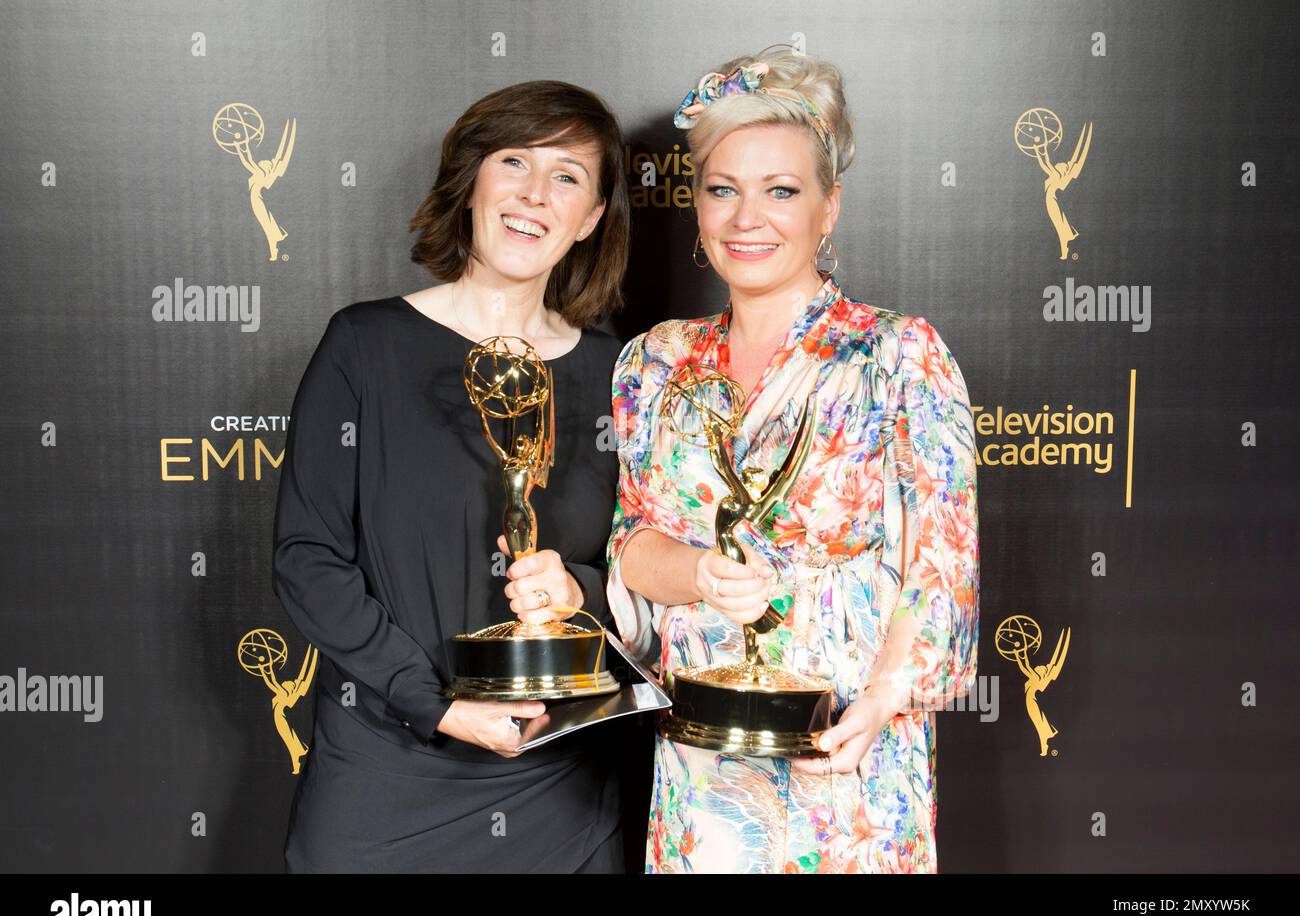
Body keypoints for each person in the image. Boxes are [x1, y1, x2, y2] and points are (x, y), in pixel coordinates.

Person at [606, 45, 979, 873]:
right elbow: (631, 547)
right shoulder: (654, 363)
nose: (749, 218)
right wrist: (702, 574)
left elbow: (940, 565)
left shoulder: (896, 355)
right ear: (695, 205)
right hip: (702, 768)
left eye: (781, 191)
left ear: (828, 206)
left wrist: (879, 705)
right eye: (722, 189)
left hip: (845, 754)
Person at [272, 79, 631, 872]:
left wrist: (576, 586)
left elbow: (643, 572)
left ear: (594, 217)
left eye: (567, 176)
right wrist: (434, 704)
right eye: (514, 162)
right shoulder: (364, 346)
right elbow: (308, 557)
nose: (535, 194)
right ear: (471, 179)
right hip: (384, 773)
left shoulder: (623, 373)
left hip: (560, 788)